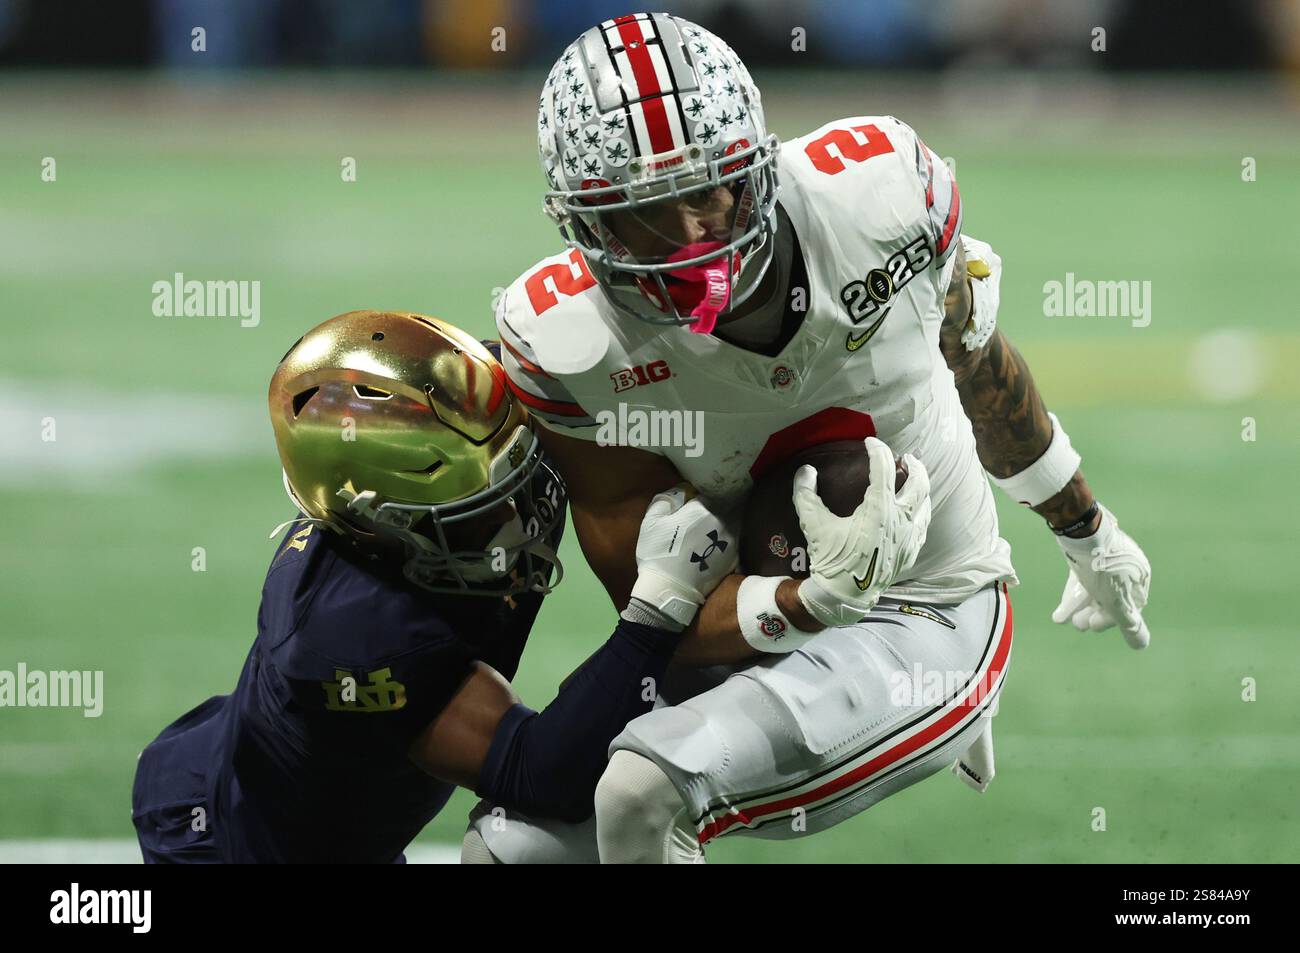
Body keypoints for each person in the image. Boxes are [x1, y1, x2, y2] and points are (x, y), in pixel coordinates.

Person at [476, 12, 1152, 863]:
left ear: (756, 163)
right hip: (746, 617)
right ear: (589, 226)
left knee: (639, 791)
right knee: (511, 850)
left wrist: (1087, 530)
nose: (693, 233)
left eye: (710, 187)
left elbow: (980, 367)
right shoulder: (569, 340)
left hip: (932, 605)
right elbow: (653, 608)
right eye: (647, 211)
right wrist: (800, 604)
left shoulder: (879, 199)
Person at [130, 309, 738, 862]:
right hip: (243, 845)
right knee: (522, 846)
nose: (529, 506)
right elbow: (540, 775)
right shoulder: (347, 638)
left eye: (521, 462)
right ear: (382, 521)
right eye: (485, 504)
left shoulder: (486, 415)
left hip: (310, 797)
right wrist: (657, 609)